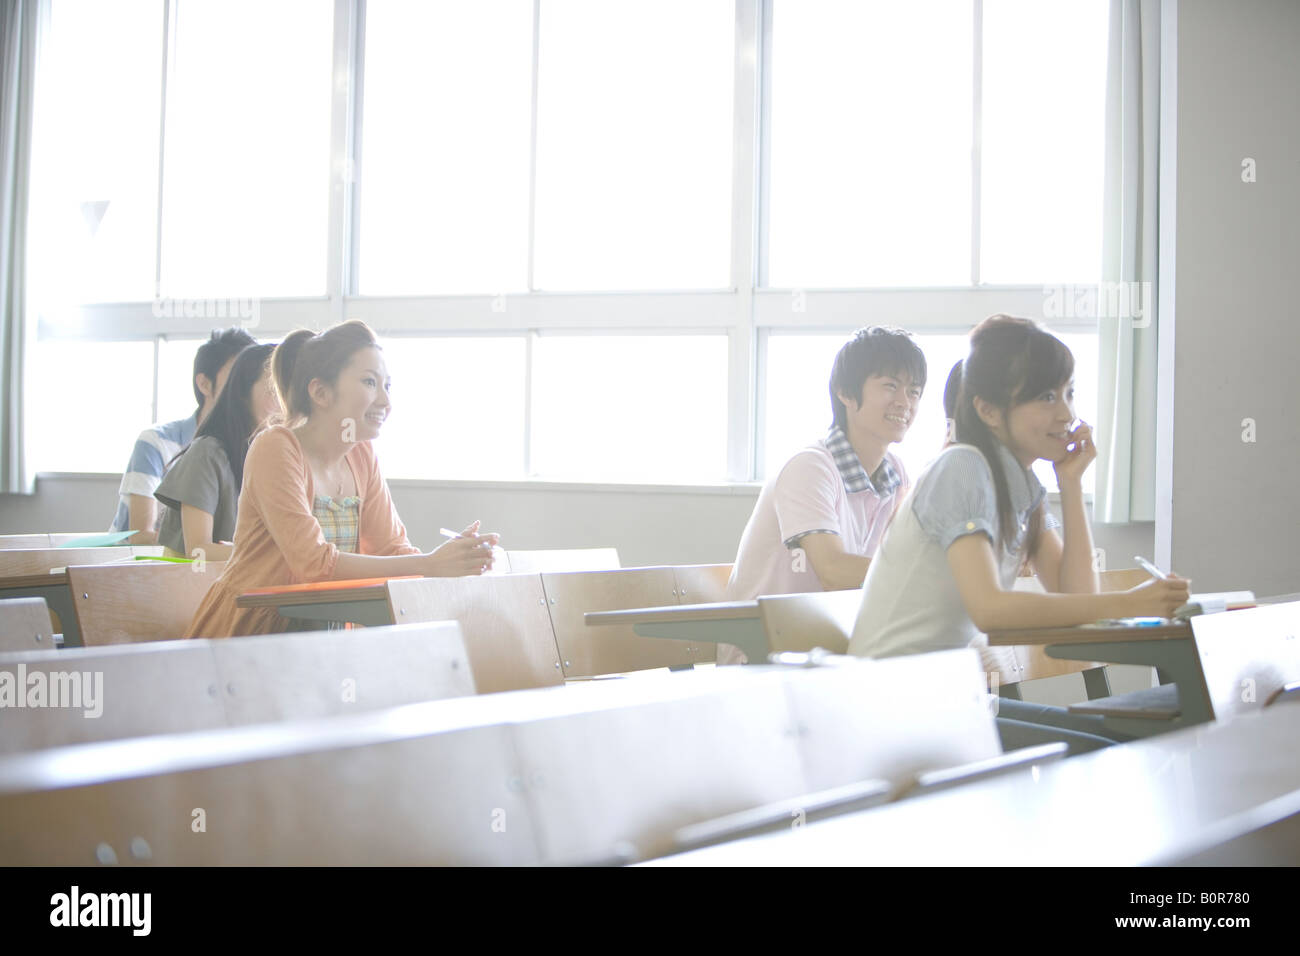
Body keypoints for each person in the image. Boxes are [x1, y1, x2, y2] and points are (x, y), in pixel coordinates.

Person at [848, 315, 1189, 754]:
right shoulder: (963, 466)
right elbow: (990, 609)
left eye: (1069, 393)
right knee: (1103, 750)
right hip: (890, 703)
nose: (1066, 414)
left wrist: (1070, 483)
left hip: (941, 696)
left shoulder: (1021, 486)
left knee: (1118, 738)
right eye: (1046, 397)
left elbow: (1075, 598)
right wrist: (1128, 602)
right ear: (987, 410)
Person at [184, 320, 498, 639]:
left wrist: (454, 558)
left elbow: (391, 549)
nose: (385, 403)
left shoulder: (361, 454)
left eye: (387, 386)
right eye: (369, 382)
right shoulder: (276, 447)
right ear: (321, 392)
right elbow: (314, 564)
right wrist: (429, 565)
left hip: (325, 633)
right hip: (252, 632)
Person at [720, 327, 926, 663]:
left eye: (915, 391)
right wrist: (932, 577)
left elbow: (897, 559)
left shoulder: (897, 474)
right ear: (846, 392)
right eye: (890, 386)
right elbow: (833, 571)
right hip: (766, 658)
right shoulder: (810, 467)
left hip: (834, 652)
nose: (905, 402)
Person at [110, 327, 257, 543]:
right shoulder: (155, 442)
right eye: (237, 376)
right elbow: (140, 536)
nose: (245, 388)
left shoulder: (248, 447)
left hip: (199, 565)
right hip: (137, 566)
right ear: (204, 384)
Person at [154, 343, 280, 562]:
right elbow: (198, 550)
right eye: (274, 392)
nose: (284, 405)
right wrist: (276, 556)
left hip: (245, 583)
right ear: (242, 392)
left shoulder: (275, 455)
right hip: (191, 587)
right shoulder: (207, 452)